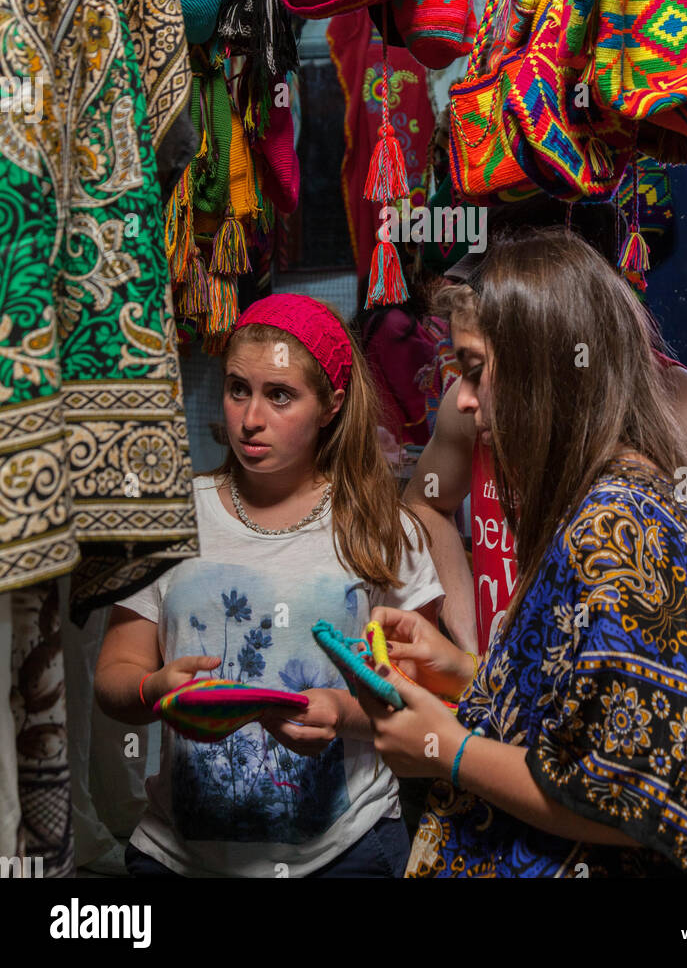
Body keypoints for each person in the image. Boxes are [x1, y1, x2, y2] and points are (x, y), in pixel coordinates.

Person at [360, 227, 687, 877]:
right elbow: (583, 715)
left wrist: (444, 748)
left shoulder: (615, 536)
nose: (461, 399)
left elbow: (615, 802)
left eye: (474, 370)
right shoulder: (601, 503)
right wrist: (465, 674)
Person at [406, 250, 687, 766]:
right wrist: (471, 644)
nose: (463, 393)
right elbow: (424, 502)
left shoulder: (684, 413)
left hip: (636, 764)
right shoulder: (474, 407)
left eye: (476, 366)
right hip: (515, 743)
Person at [94, 293, 443, 878]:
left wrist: (344, 714)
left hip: (345, 852)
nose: (250, 418)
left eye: (280, 395)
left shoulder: (384, 528)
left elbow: (428, 701)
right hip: (180, 858)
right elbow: (113, 677)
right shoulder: (171, 518)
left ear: (332, 405)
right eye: (238, 389)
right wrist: (157, 690)